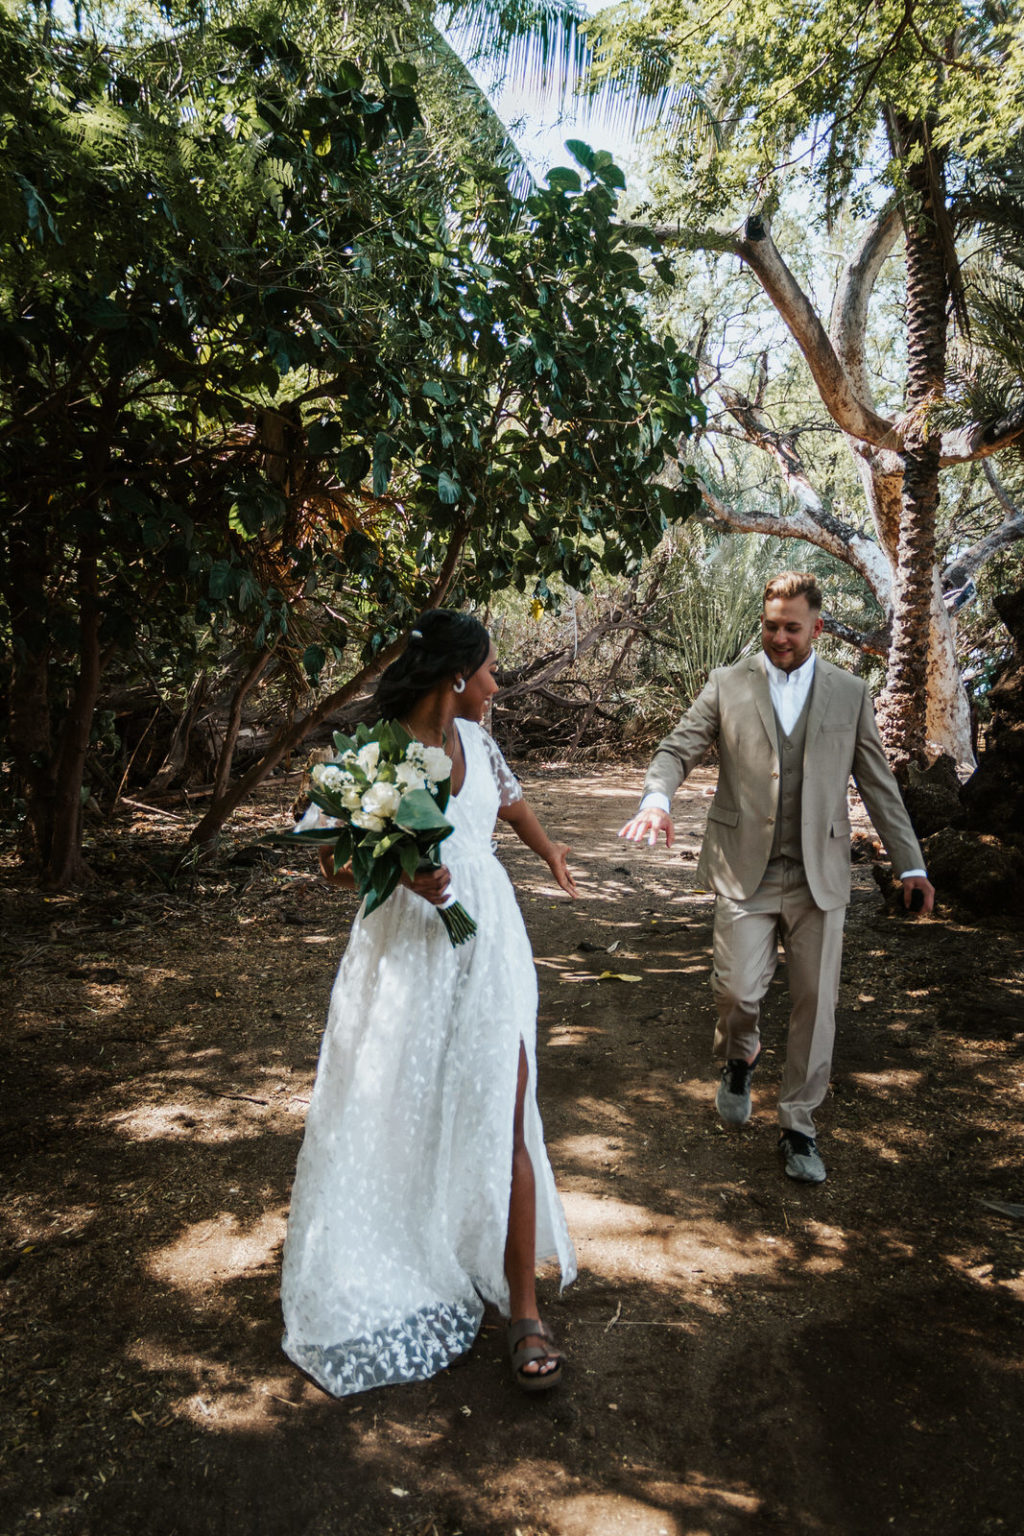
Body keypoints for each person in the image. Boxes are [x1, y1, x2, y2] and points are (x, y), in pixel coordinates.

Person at [281, 609, 578, 1396]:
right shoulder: (373, 754)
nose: (495, 682)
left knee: (510, 1113)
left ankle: (523, 1309)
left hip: (491, 947)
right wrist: (400, 871)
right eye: (486, 669)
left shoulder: (479, 744)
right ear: (454, 677)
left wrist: (550, 851)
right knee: (401, 1108)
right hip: (404, 950)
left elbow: (507, 805)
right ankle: (406, 1250)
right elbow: (326, 859)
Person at [619, 572, 935, 1184]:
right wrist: (656, 799)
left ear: (817, 627)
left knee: (816, 1007)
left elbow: (878, 784)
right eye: (771, 626)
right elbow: (676, 747)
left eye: (792, 627)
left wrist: (911, 862)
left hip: (821, 872)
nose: (780, 637)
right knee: (737, 992)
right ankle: (739, 1054)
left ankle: (798, 1128)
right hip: (745, 868)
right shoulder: (726, 685)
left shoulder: (850, 693)